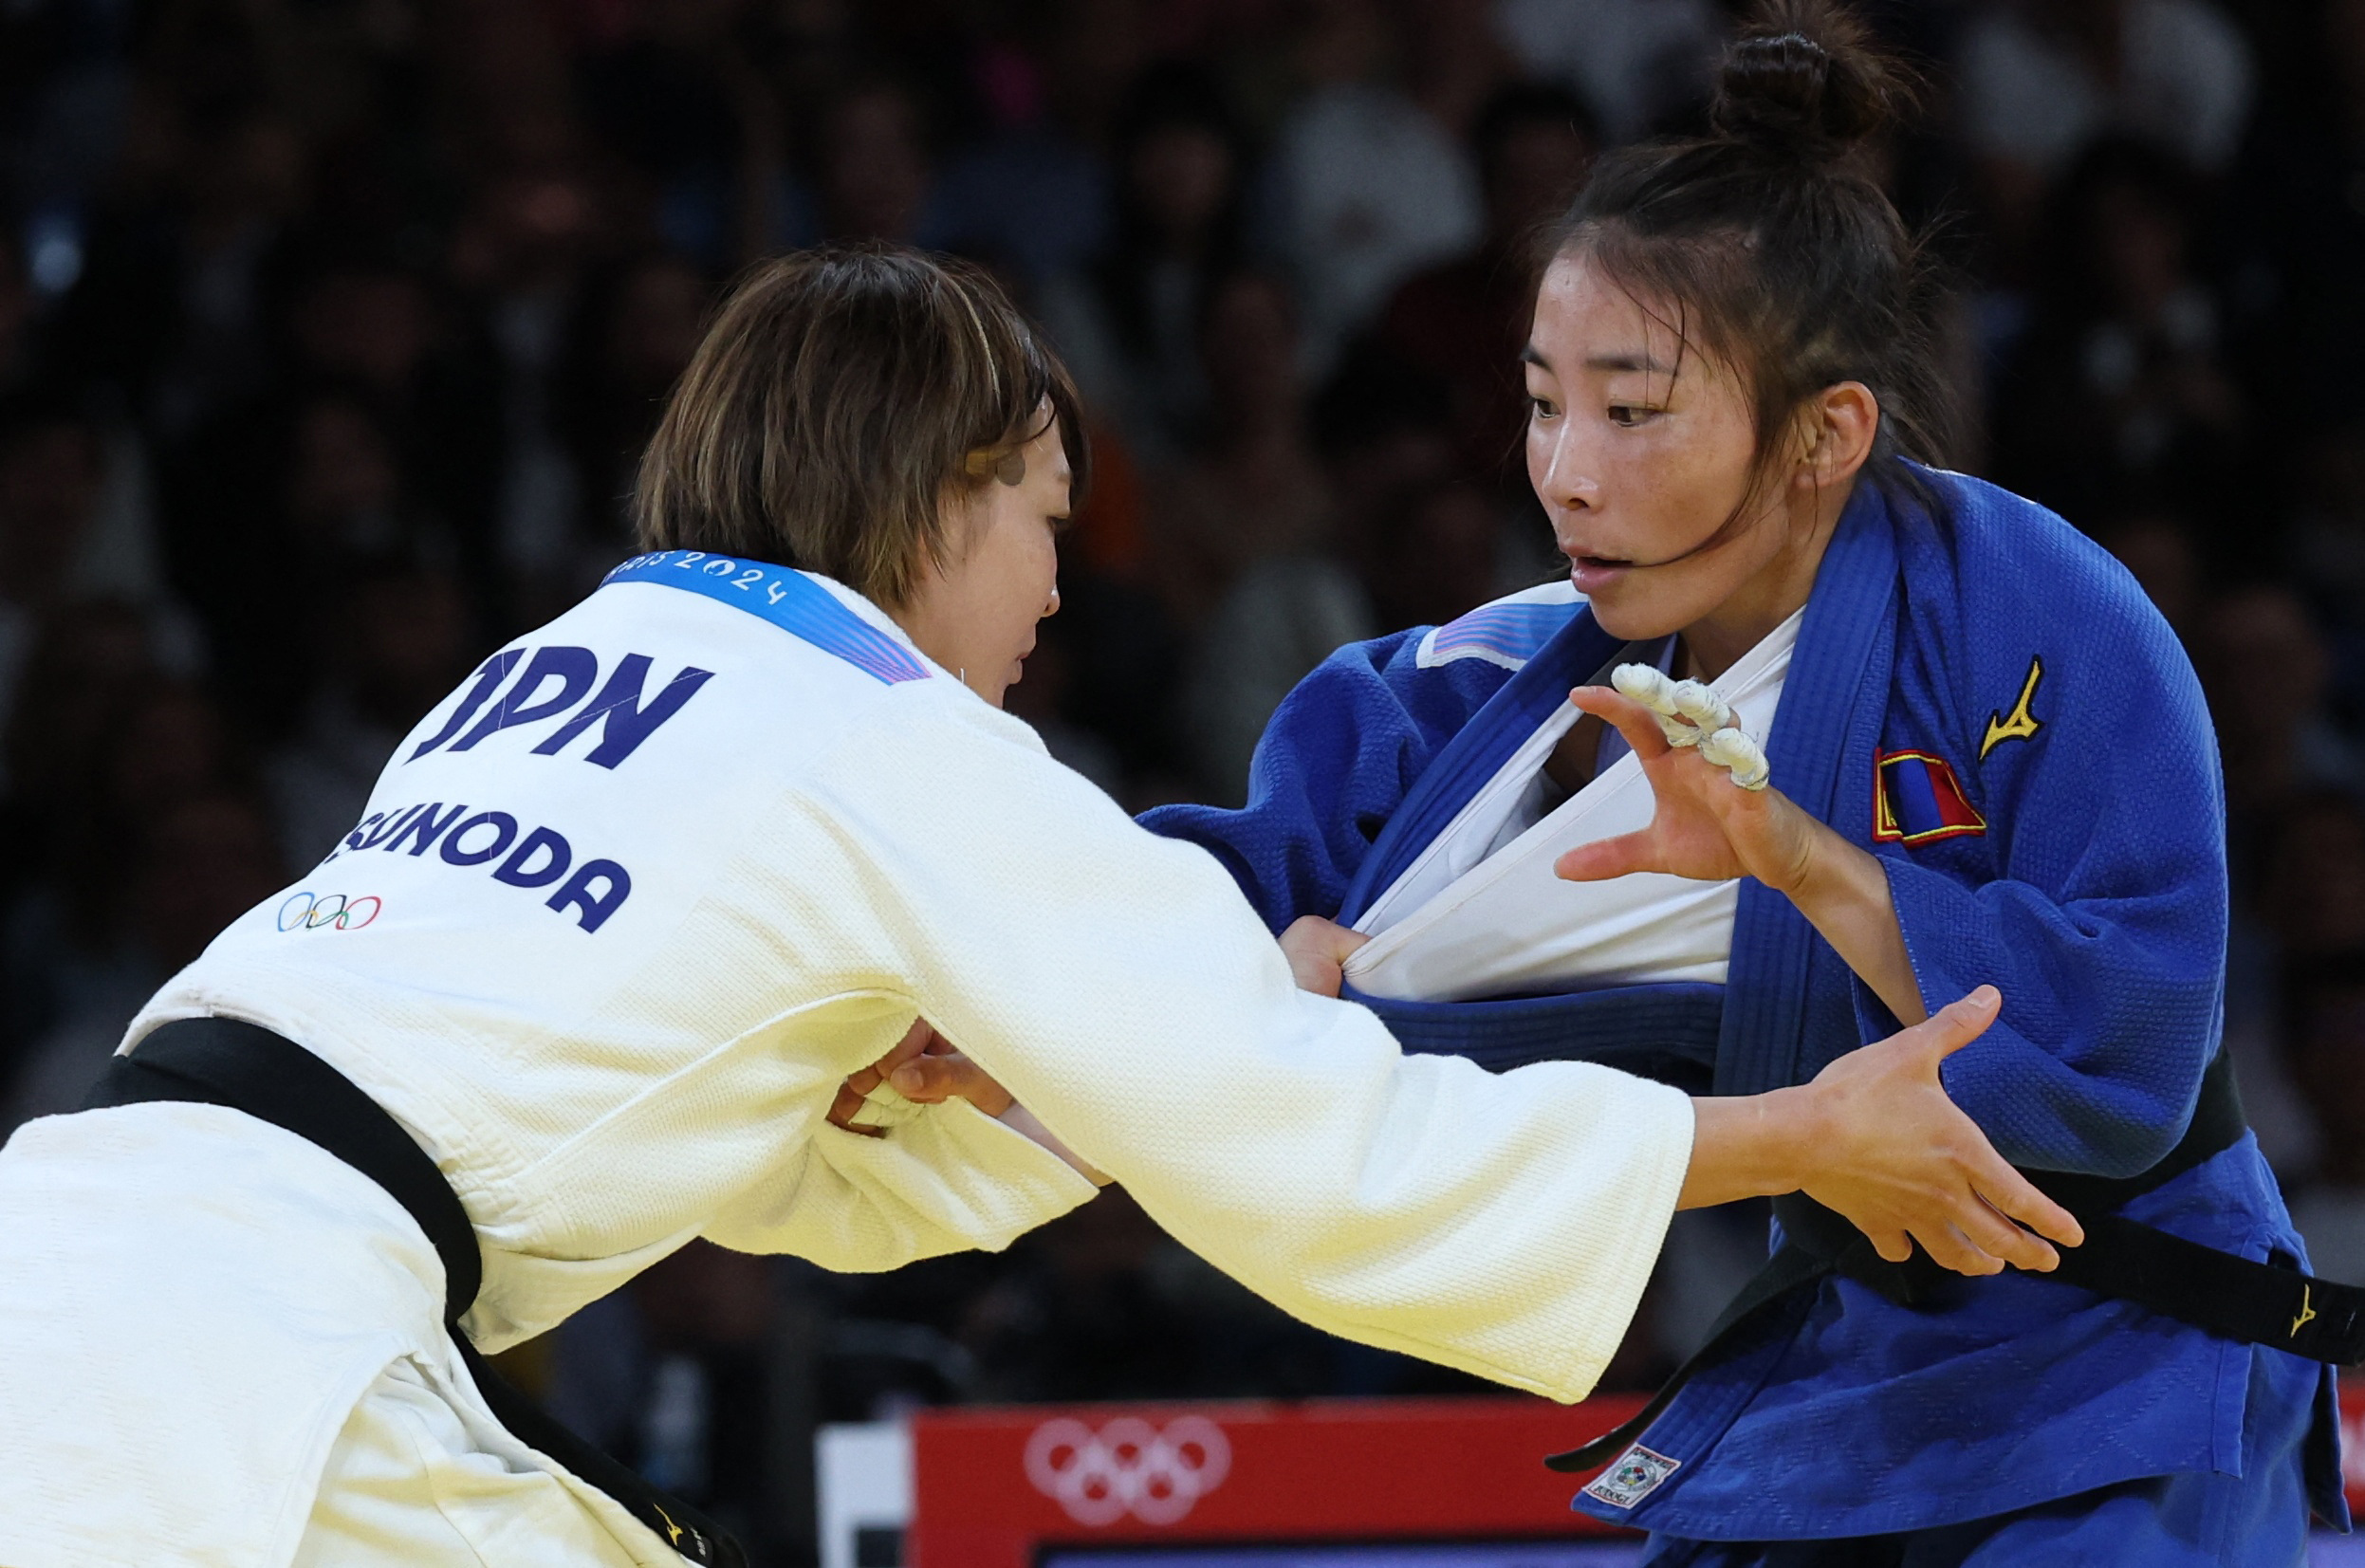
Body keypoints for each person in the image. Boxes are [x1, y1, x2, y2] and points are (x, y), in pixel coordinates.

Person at [0, 244, 2076, 1568]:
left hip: (83, 1248)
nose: (1058, 590)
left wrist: (1082, 1078)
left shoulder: (561, 662)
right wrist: (1787, 1135)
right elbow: (1310, 1153)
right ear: (944, 491)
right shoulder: (895, 737)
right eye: (1042, 517)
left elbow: (761, 1163)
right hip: (245, 1354)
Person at [1145, 5, 2348, 1562]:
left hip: (2127, 1373)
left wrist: (1793, 855)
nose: (1566, 469)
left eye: (1632, 409)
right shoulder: (1498, 695)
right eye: (1542, 400)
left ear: (1824, 433)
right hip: (1844, 1377)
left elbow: (2130, 1037)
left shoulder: (2036, 611)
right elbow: (1181, 909)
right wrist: (1008, 1007)